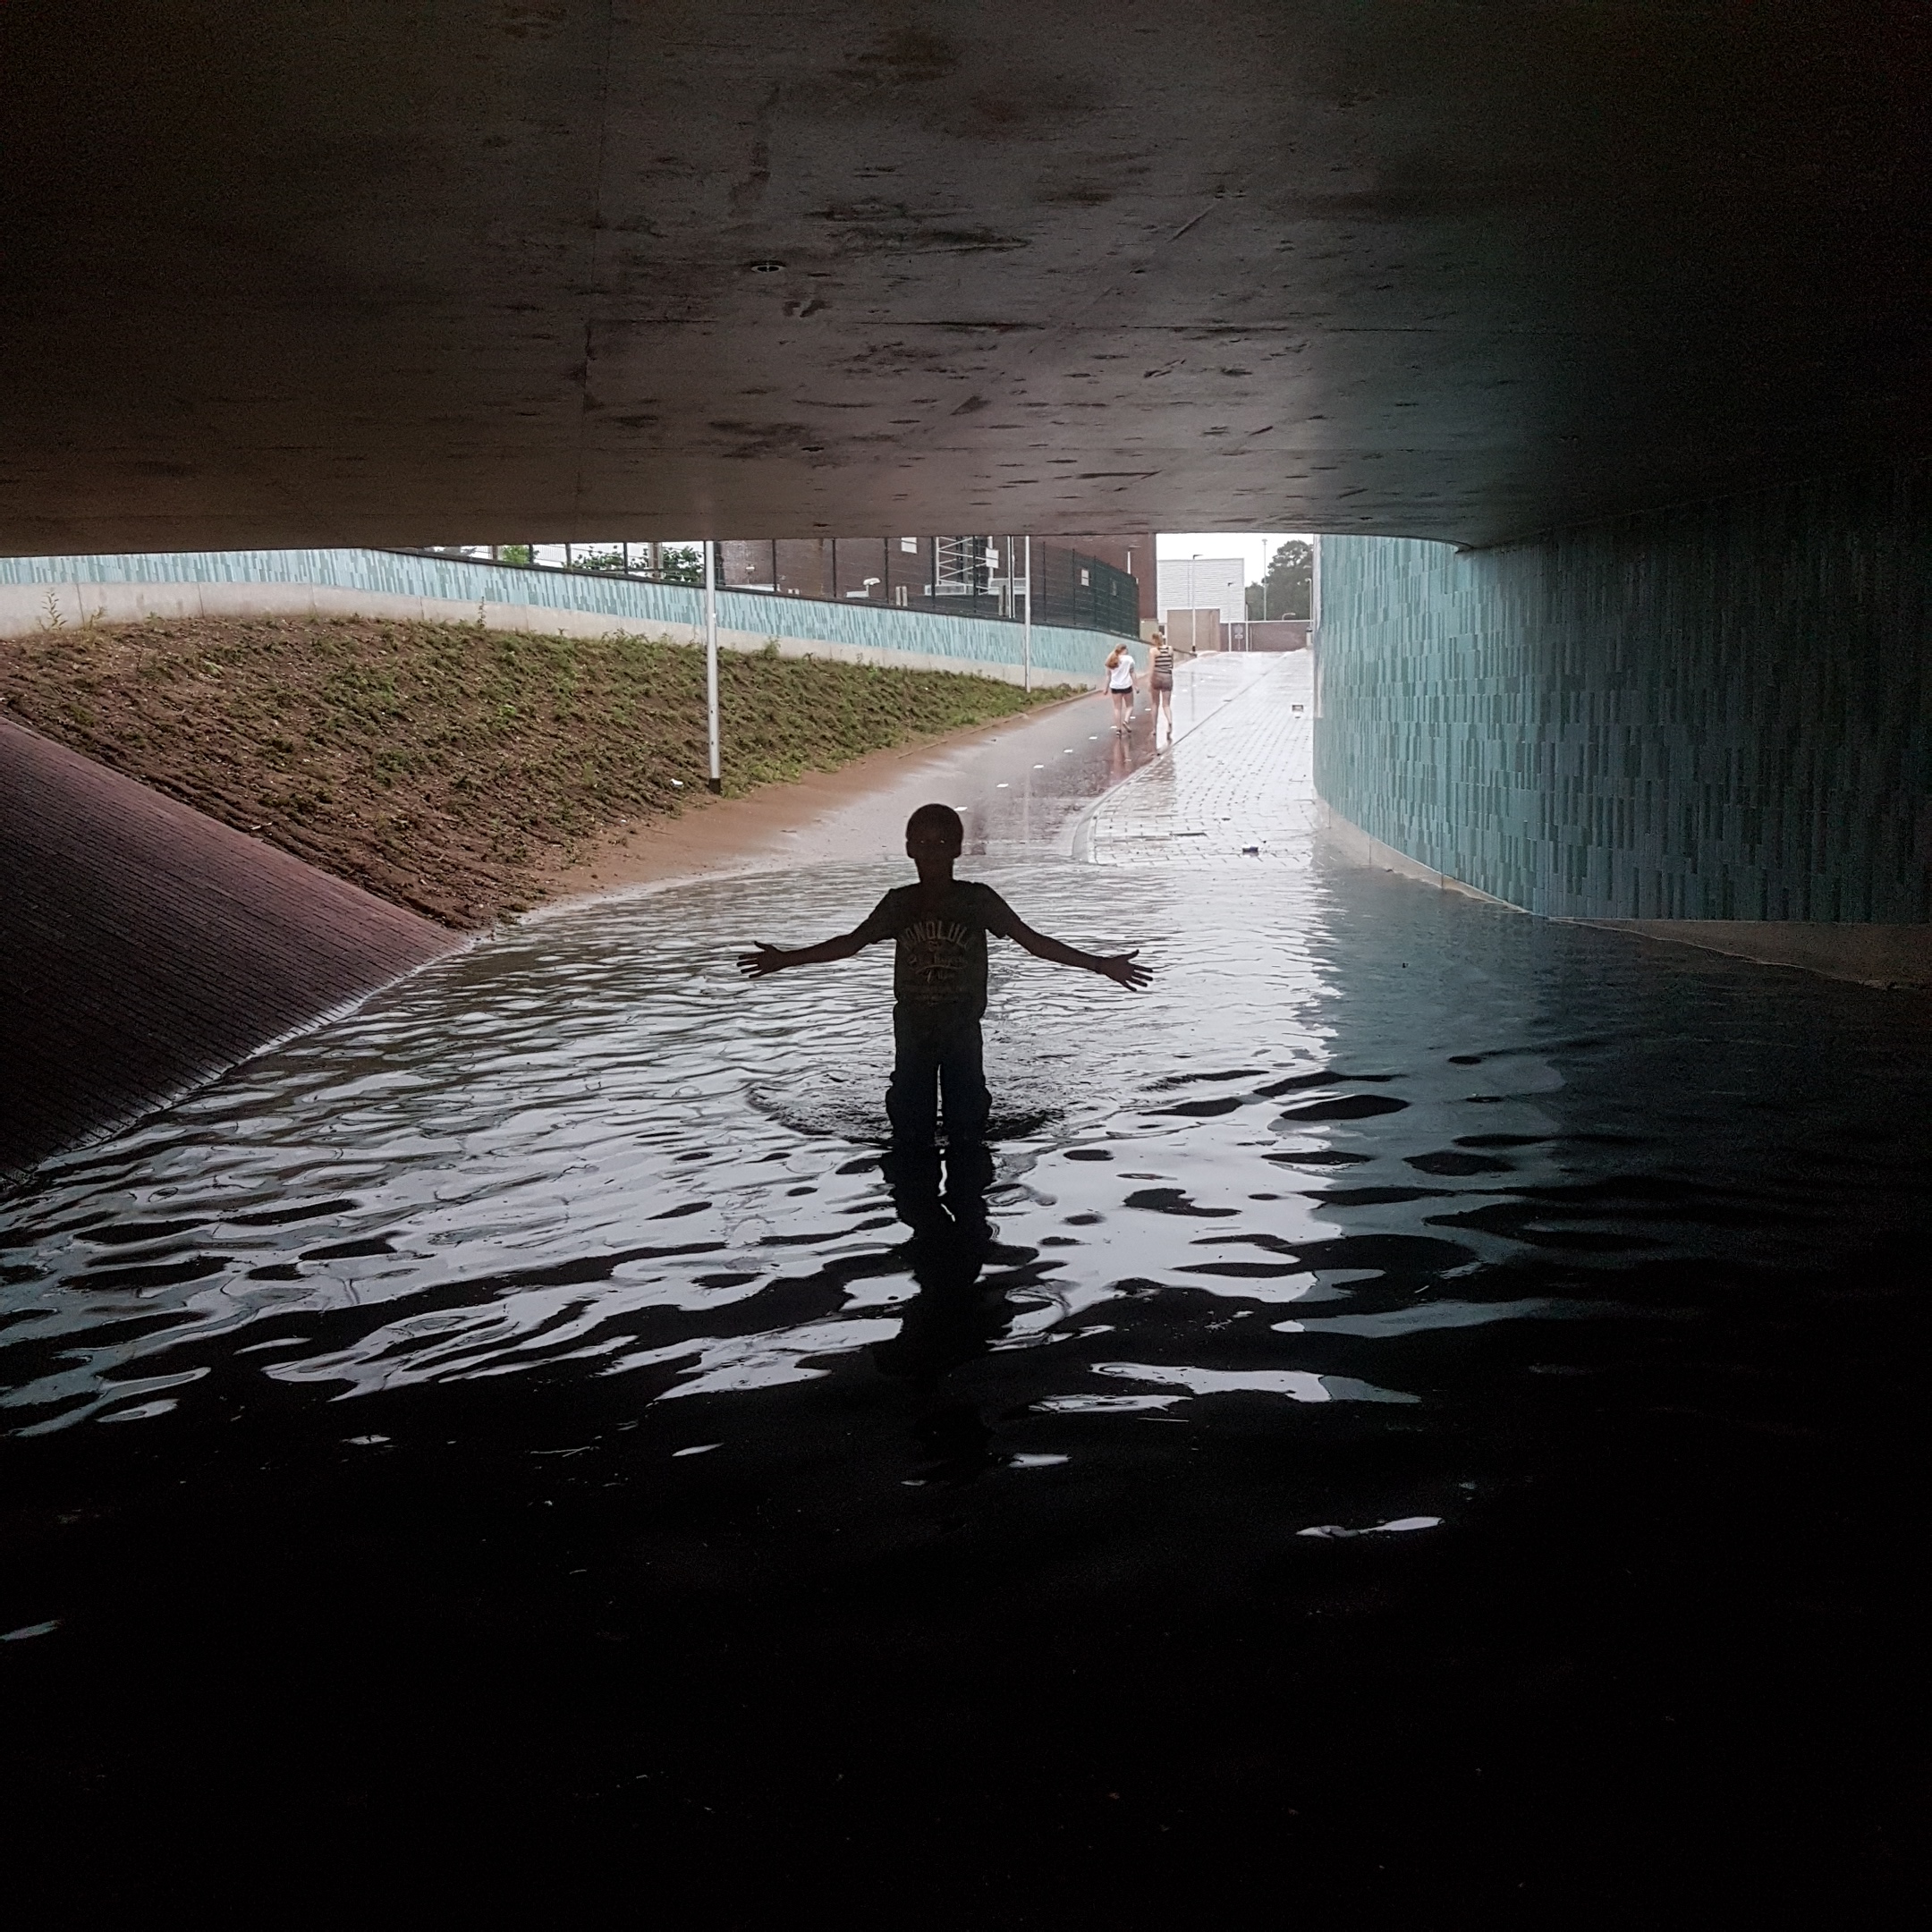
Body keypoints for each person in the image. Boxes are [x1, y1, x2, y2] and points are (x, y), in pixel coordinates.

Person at [736, 802, 1151, 1148]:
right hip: (913, 1027)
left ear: (957, 849)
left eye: (940, 843)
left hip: (961, 1027)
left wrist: (1100, 965)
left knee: (967, 1120)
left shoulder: (977, 901)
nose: (932, 852)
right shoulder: (899, 904)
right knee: (910, 1120)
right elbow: (850, 943)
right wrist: (785, 959)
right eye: (923, 843)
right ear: (909, 849)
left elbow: (1033, 942)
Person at [1147, 626, 1177, 741]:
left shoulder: (1153, 651)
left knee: (1155, 704)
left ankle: (1154, 729)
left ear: (1154, 640)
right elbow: (1172, 665)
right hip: (1168, 677)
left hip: (1157, 677)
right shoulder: (1170, 649)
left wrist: (1149, 681)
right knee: (1166, 704)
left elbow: (1152, 667)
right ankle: (1169, 721)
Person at [1104, 641, 1137, 732]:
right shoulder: (1129, 659)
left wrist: (1105, 688)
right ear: (1124, 650)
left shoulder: (1110, 660)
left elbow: (1108, 676)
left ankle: (1118, 729)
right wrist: (1136, 686)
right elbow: (1132, 673)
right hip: (1126, 685)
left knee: (1117, 708)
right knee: (1130, 706)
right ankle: (1126, 720)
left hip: (1115, 687)